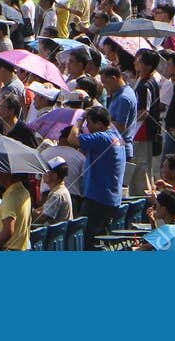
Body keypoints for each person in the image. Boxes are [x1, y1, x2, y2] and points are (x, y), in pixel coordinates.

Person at [64, 104, 125, 249]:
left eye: (89, 123)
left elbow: (72, 139)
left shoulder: (102, 138)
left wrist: (80, 119)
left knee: (85, 240)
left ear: (99, 123)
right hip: (111, 199)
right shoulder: (117, 137)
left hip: (97, 199)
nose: (87, 127)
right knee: (100, 242)